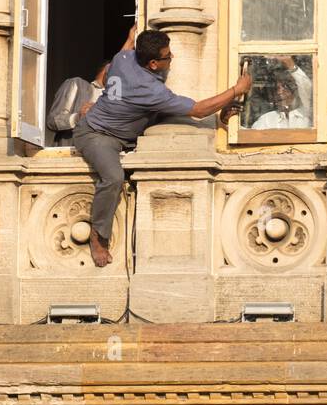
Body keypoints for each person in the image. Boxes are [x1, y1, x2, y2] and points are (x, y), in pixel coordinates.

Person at [73, 24, 252, 268]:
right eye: (168, 56)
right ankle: (98, 235)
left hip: (127, 126)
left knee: (175, 119)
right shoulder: (149, 90)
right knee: (113, 177)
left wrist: (129, 37)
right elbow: (198, 110)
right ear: (153, 64)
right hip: (97, 135)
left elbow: (117, 60)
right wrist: (236, 90)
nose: (172, 58)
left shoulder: (124, 56)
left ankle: (220, 117)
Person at [46, 59, 110, 146]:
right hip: (71, 153)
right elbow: (52, 121)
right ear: (108, 68)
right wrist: (77, 117)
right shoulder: (78, 84)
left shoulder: (117, 100)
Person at [249, 57, 313, 130]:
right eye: (276, 88)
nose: (279, 92)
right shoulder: (267, 120)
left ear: (295, 89)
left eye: (285, 86)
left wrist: (292, 66)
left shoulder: (307, 114)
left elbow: (308, 90)